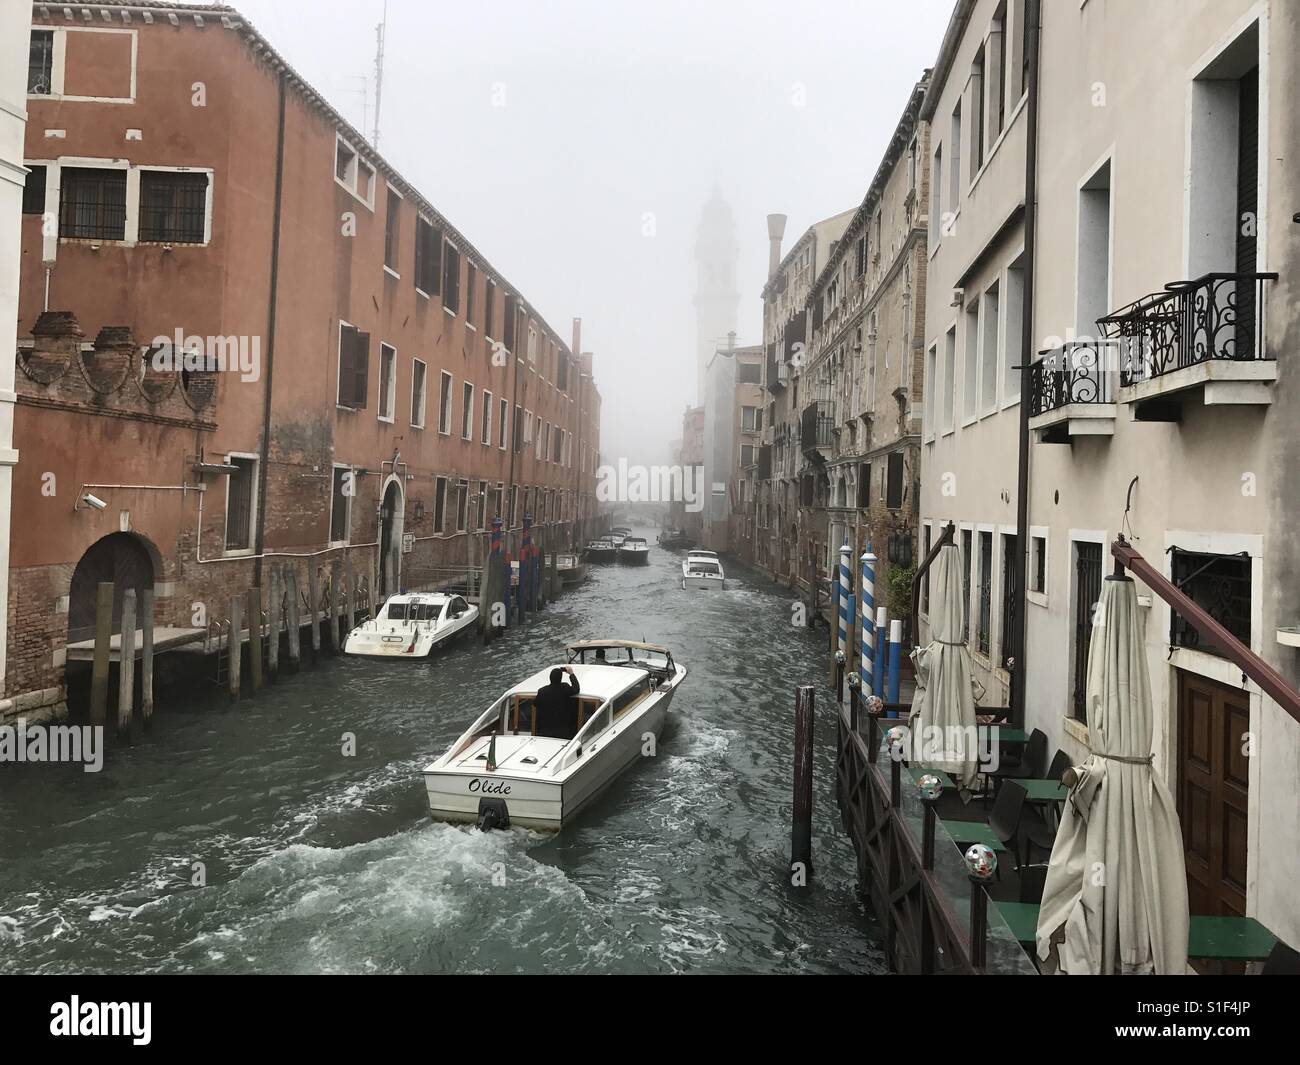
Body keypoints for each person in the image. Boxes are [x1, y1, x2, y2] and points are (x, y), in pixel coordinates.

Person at [533, 666, 581, 739]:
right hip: (563, 730)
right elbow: (576, 688)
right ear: (560, 678)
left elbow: (535, 703)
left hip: (545, 730)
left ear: (550, 678)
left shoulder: (542, 691)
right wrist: (571, 674)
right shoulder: (565, 687)